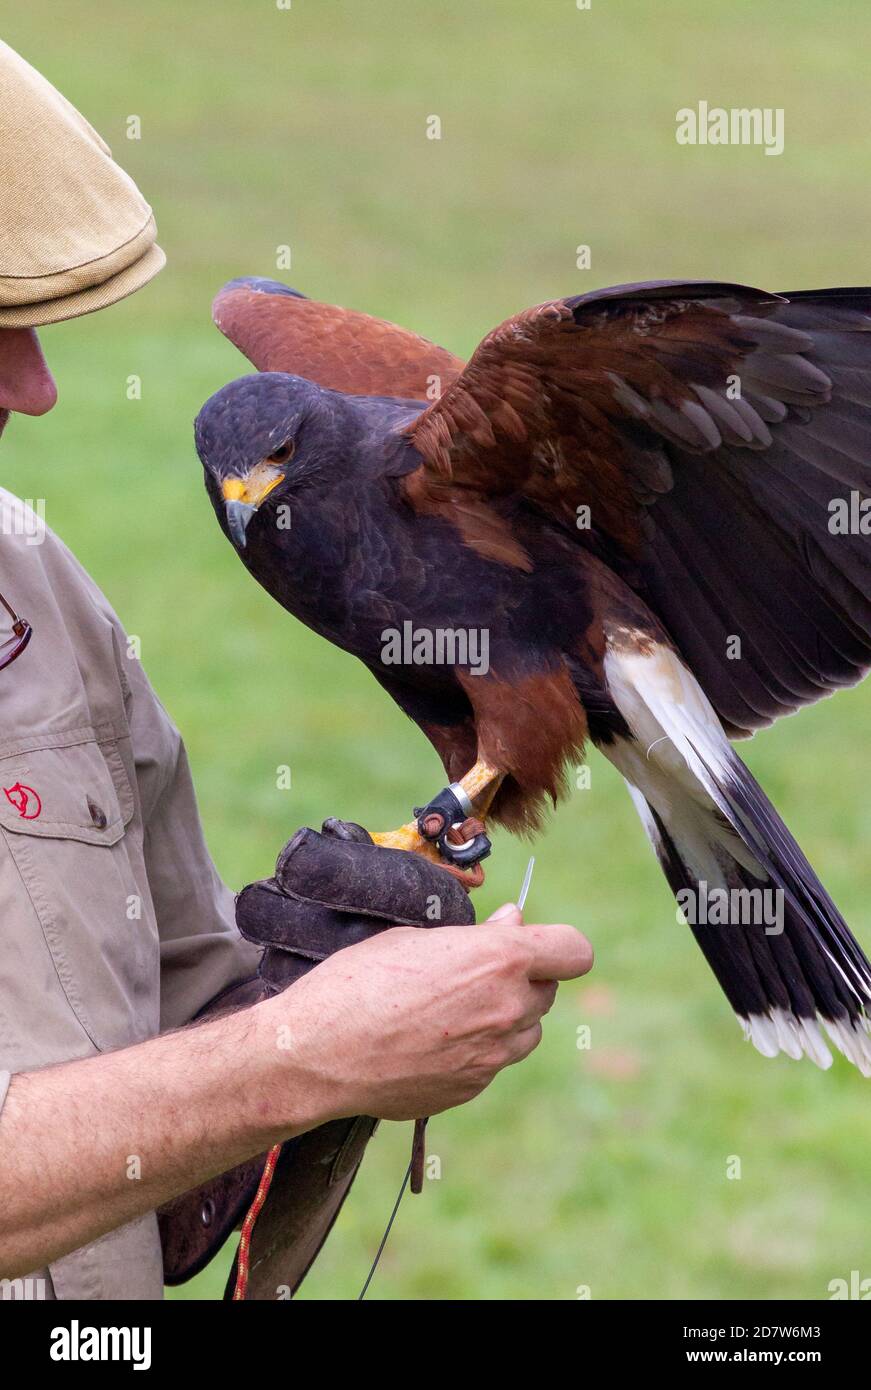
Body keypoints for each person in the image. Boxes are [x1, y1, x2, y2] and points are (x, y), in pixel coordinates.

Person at [0, 39, 593, 1299]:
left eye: (37, 327)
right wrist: (290, 1056)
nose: (38, 390)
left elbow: (151, 1157)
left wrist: (315, 987)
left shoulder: (36, 593)